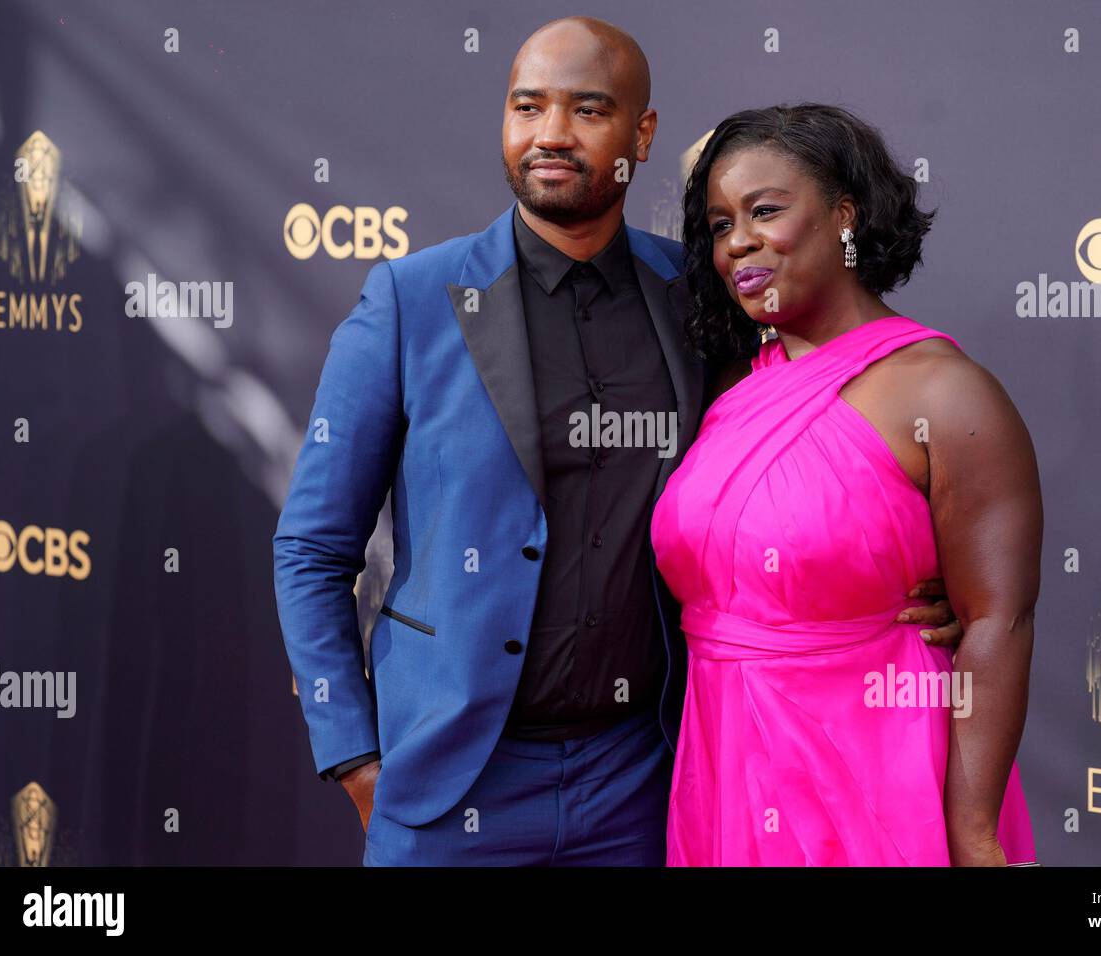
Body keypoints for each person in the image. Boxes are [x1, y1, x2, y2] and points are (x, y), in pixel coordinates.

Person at [273, 17, 960, 866]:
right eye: (528, 107)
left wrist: (922, 585)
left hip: (644, 778)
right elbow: (311, 547)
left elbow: (810, 450)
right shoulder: (413, 300)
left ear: (641, 135)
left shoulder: (701, 299)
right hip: (451, 781)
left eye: (586, 110)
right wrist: (355, 756)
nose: (551, 134)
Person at [651, 103, 1040, 866]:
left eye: (766, 211)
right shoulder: (732, 388)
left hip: (875, 762)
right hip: (721, 759)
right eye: (721, 225)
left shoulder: (944, 393)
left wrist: (972, 831)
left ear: (845, 215)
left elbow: (998, 620)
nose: (740, 243)